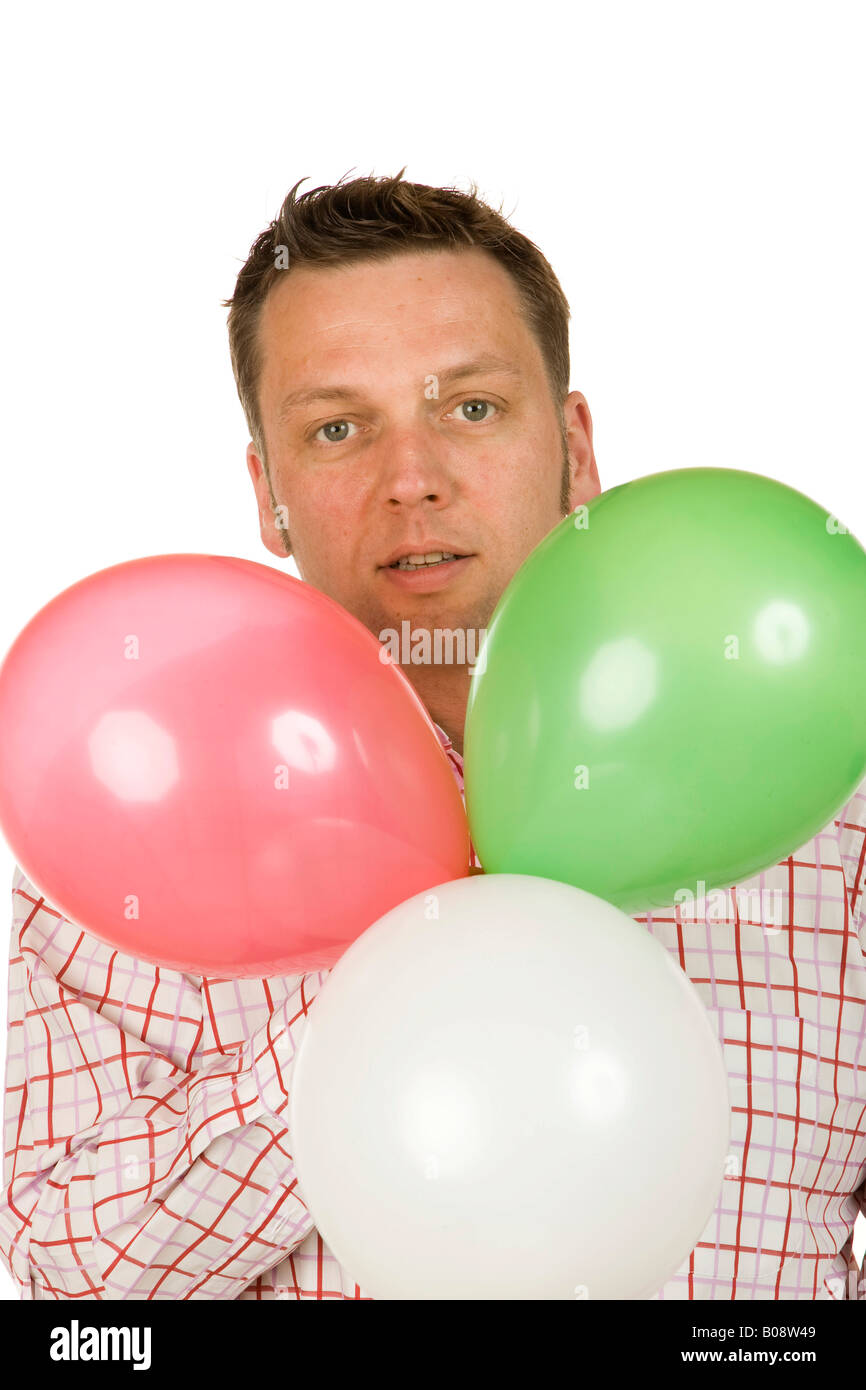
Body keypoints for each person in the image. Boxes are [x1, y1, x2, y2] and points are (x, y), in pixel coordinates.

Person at [1, 171, 864, 1300]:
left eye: (468, 407)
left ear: (574, 445)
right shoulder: (130, 820)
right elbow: (75, 1270)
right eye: (338, 427)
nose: (411, 481)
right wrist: (391, 987)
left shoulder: (822, 805)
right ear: (268, 492)